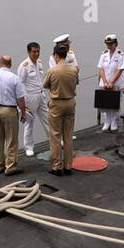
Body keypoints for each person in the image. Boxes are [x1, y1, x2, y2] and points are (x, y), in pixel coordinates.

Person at [0, 55, 29, 176]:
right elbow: (20, 99)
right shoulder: (14, 78)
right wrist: (23, 113)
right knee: (11, 139)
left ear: (0, 63)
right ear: (10, 64)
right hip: (9, 110)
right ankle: (11, 166)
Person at [44, 44, 79, 176]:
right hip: (70, 102)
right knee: (68, 135)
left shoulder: (53, 71)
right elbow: (75, 83)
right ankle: (68, 165)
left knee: (55, 135)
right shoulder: (74, 70)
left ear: (56, 55)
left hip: (57, 104)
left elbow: (45, 85)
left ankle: (57, 166)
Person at [17, 41, 49, 157]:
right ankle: (29, 147)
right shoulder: (24, 66)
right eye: (34, 52)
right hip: (30, 97)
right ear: (29, 52)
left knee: (48, 119)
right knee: (29, 123)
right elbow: (19, 84)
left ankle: (53, 141)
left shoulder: (40, 63)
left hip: (41, 94)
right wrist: (21, 104)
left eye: (38, 51)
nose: (36, 54)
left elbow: (42, 78)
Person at [96, 33, 124, 132]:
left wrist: (112, 82)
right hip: (104, 82)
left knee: (115, 103)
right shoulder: (103, 54)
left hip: (116, 82)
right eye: (108, 44)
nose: (109, 46)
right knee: (105, 103)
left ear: (115, 43)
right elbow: (100, 69)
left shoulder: (120, 54)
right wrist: (105, 81)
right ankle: (107, 122)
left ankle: (114, 122)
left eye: (111, 44)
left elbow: (120, 69)